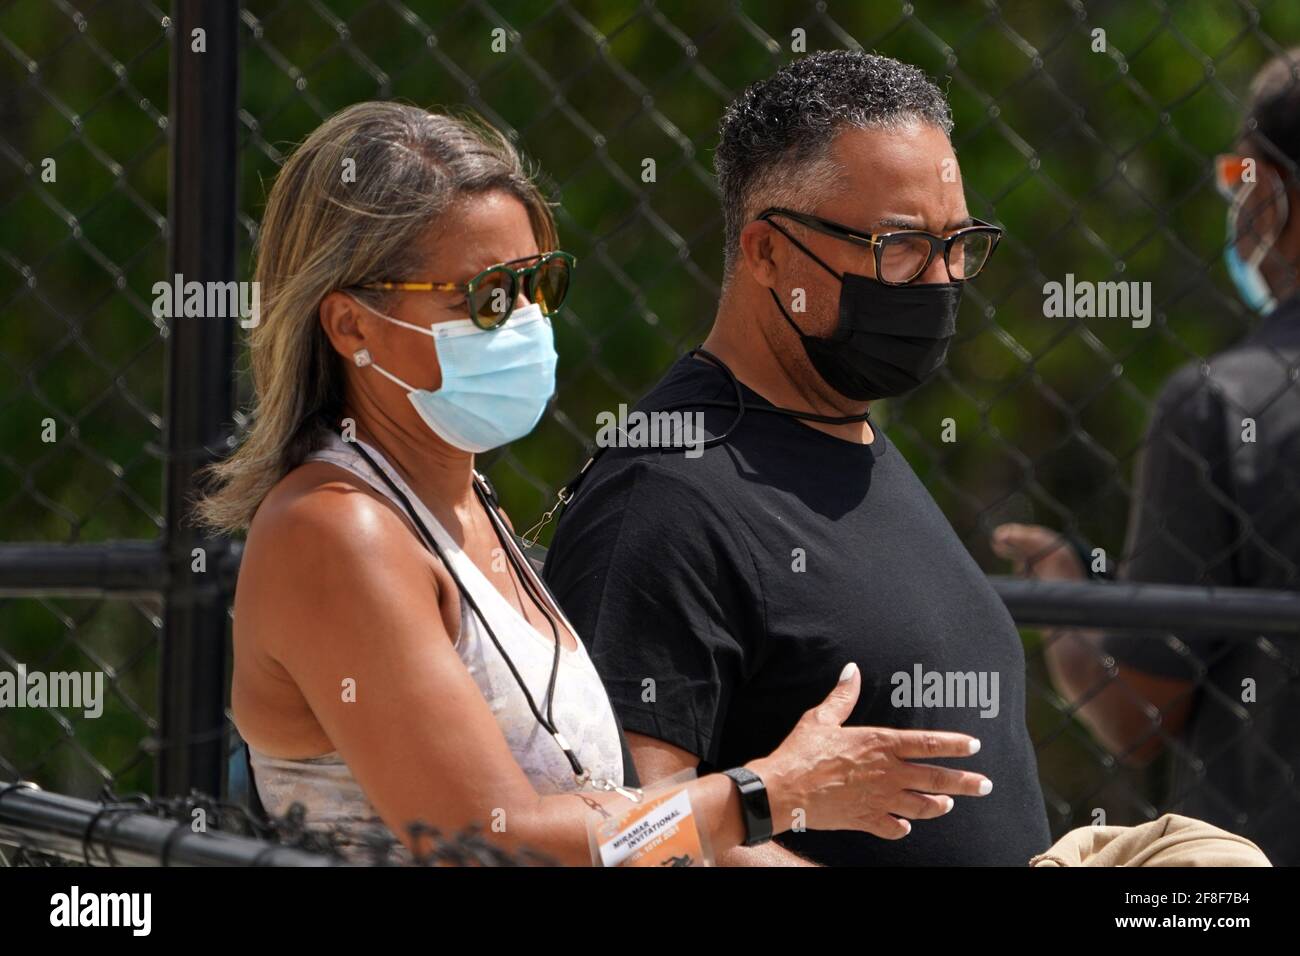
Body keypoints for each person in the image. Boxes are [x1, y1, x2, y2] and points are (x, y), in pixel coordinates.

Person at [203, 101, 993, 864]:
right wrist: (770, 793)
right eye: (484, 297)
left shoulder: (465, 505)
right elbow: (491, 847)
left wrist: (629, 816)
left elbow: (601, 826)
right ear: (351, 326)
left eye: (535, 284)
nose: (523, 322)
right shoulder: (339, 530)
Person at [542, 51, 1052, 866]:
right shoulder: (666, 488)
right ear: (769, 252)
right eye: (899, 246)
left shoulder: (848, 435)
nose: (940, 280)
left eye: (958, 243)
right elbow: (636, 838)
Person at [991, 49, 1300, 865]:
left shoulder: (1219, 404)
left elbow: (1139, 714)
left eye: (1239, 176)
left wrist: (1066, 608)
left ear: (1271, 191)